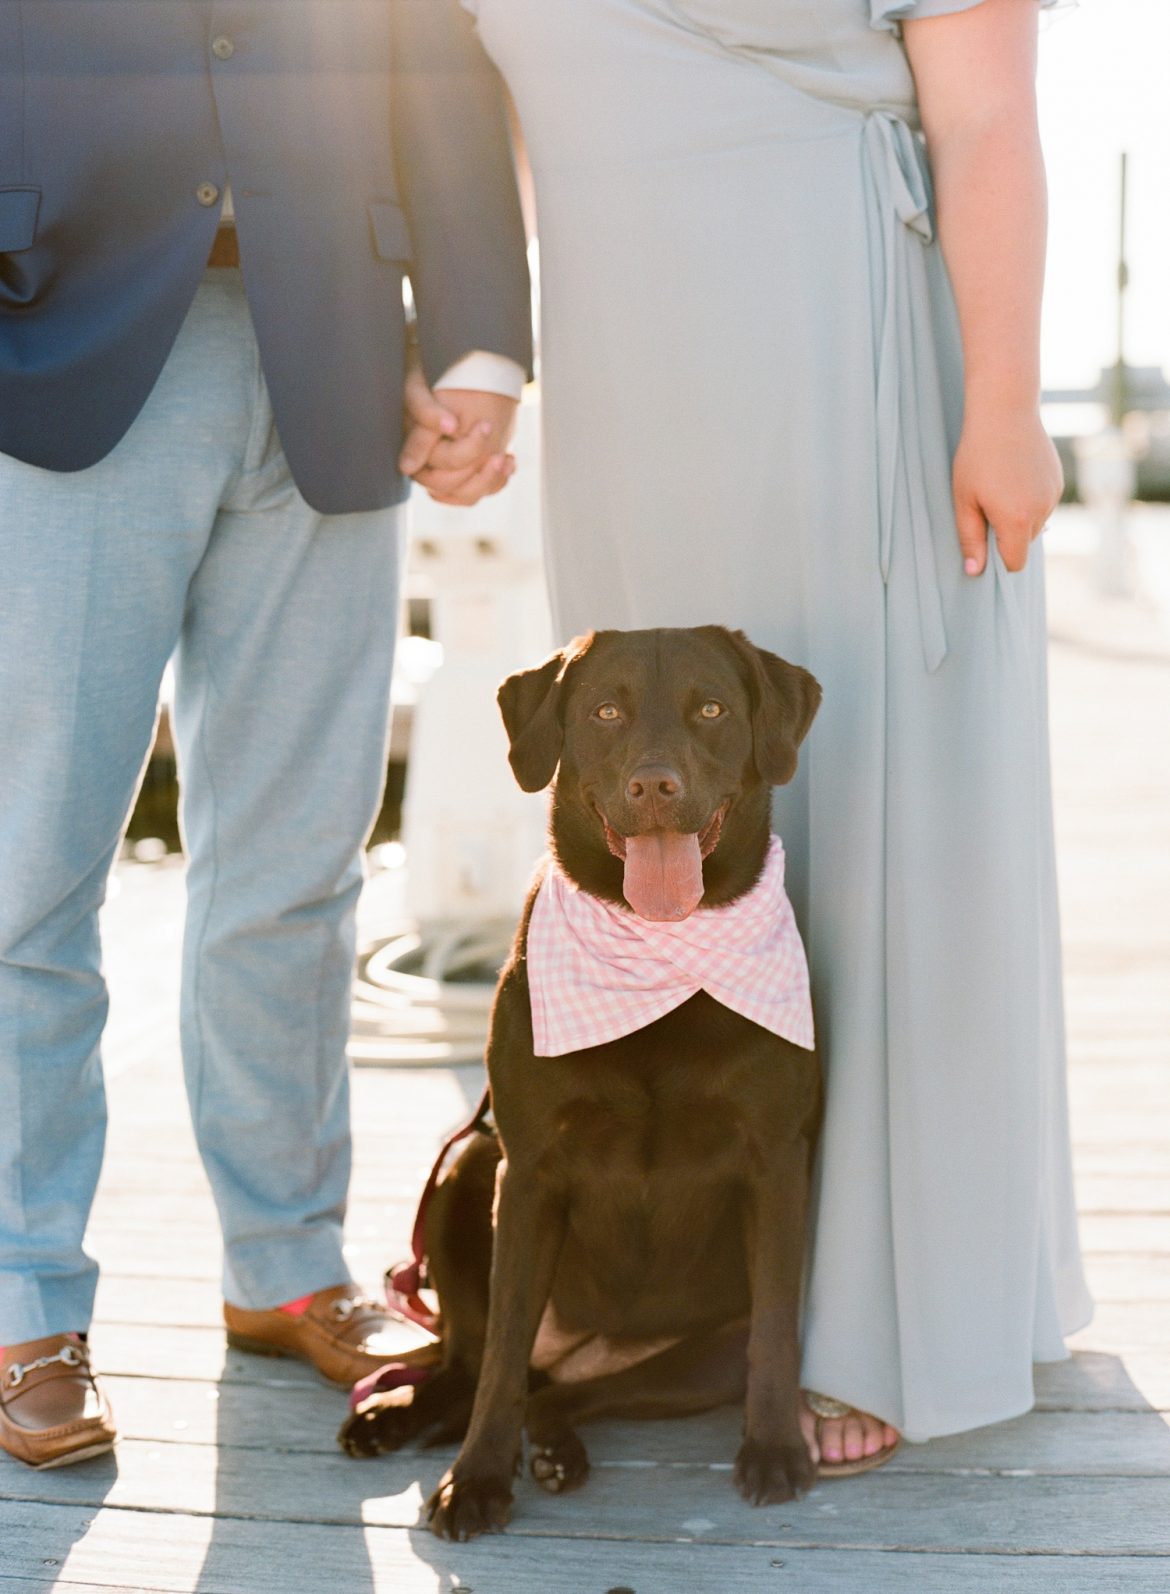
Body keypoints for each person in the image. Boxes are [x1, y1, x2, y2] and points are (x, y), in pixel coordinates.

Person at [412, 0, 1093, 1470]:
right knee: (657, 812)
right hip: (623, 380)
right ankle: (662, 1297)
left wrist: (1001, 399)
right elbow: (495, 142)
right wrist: (480, 361)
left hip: (840, 343)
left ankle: (877, 1317)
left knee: (872, 825)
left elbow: (982, 118)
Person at [0, 1, 531, 1469]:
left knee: (300, 859)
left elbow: (440, 72)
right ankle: (22, 1293)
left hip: (338, 362)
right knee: (27, 865)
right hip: (51, 344)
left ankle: (288, 1264)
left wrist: (480, 337)